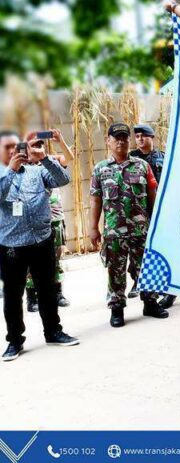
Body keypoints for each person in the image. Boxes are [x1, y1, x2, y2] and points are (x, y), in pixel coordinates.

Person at [0, 130, 80, 361]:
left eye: (16, 146)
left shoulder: (37, 171)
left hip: (42, 240)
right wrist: (11, 170)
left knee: (47, 289)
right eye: (7, 148)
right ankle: (15, 340)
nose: (13, 151)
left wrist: (44, 157)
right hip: (12, 245)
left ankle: (53, 331)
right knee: (13, 296)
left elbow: (62, 180)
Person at [89, 123, 169, 327]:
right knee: (114, 271)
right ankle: (117, 309)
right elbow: (95, 200)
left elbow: (153, 196)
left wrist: (157, 224)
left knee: (145, 268)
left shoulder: (142, 166)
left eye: (125, 138)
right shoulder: (100, 169)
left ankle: (150, 303)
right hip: (114, 232)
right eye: (117, 138)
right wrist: (92, 228)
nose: (122, 142)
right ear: (108, 141)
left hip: (141, 231)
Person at [25, 129, 73, 311]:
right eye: (33, 145)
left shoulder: (50, 161)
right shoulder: (22, 165)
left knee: (56, 257)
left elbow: (69, 158)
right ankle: (31, 297)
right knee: (31, 259)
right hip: (34, 220)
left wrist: (60, 140)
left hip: (55, 216)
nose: (37, 148)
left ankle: (58, 292)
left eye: (40, 144)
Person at [128, 123, 175, 308]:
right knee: (140, 249)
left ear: (151, 137)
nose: (139, 139)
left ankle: (170, 289)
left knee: (166, 248)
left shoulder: (164, 157)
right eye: (136, 136)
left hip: (163, 210)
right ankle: (139, 280)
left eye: (143, 136)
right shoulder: (132, 159)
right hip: (141, 212)